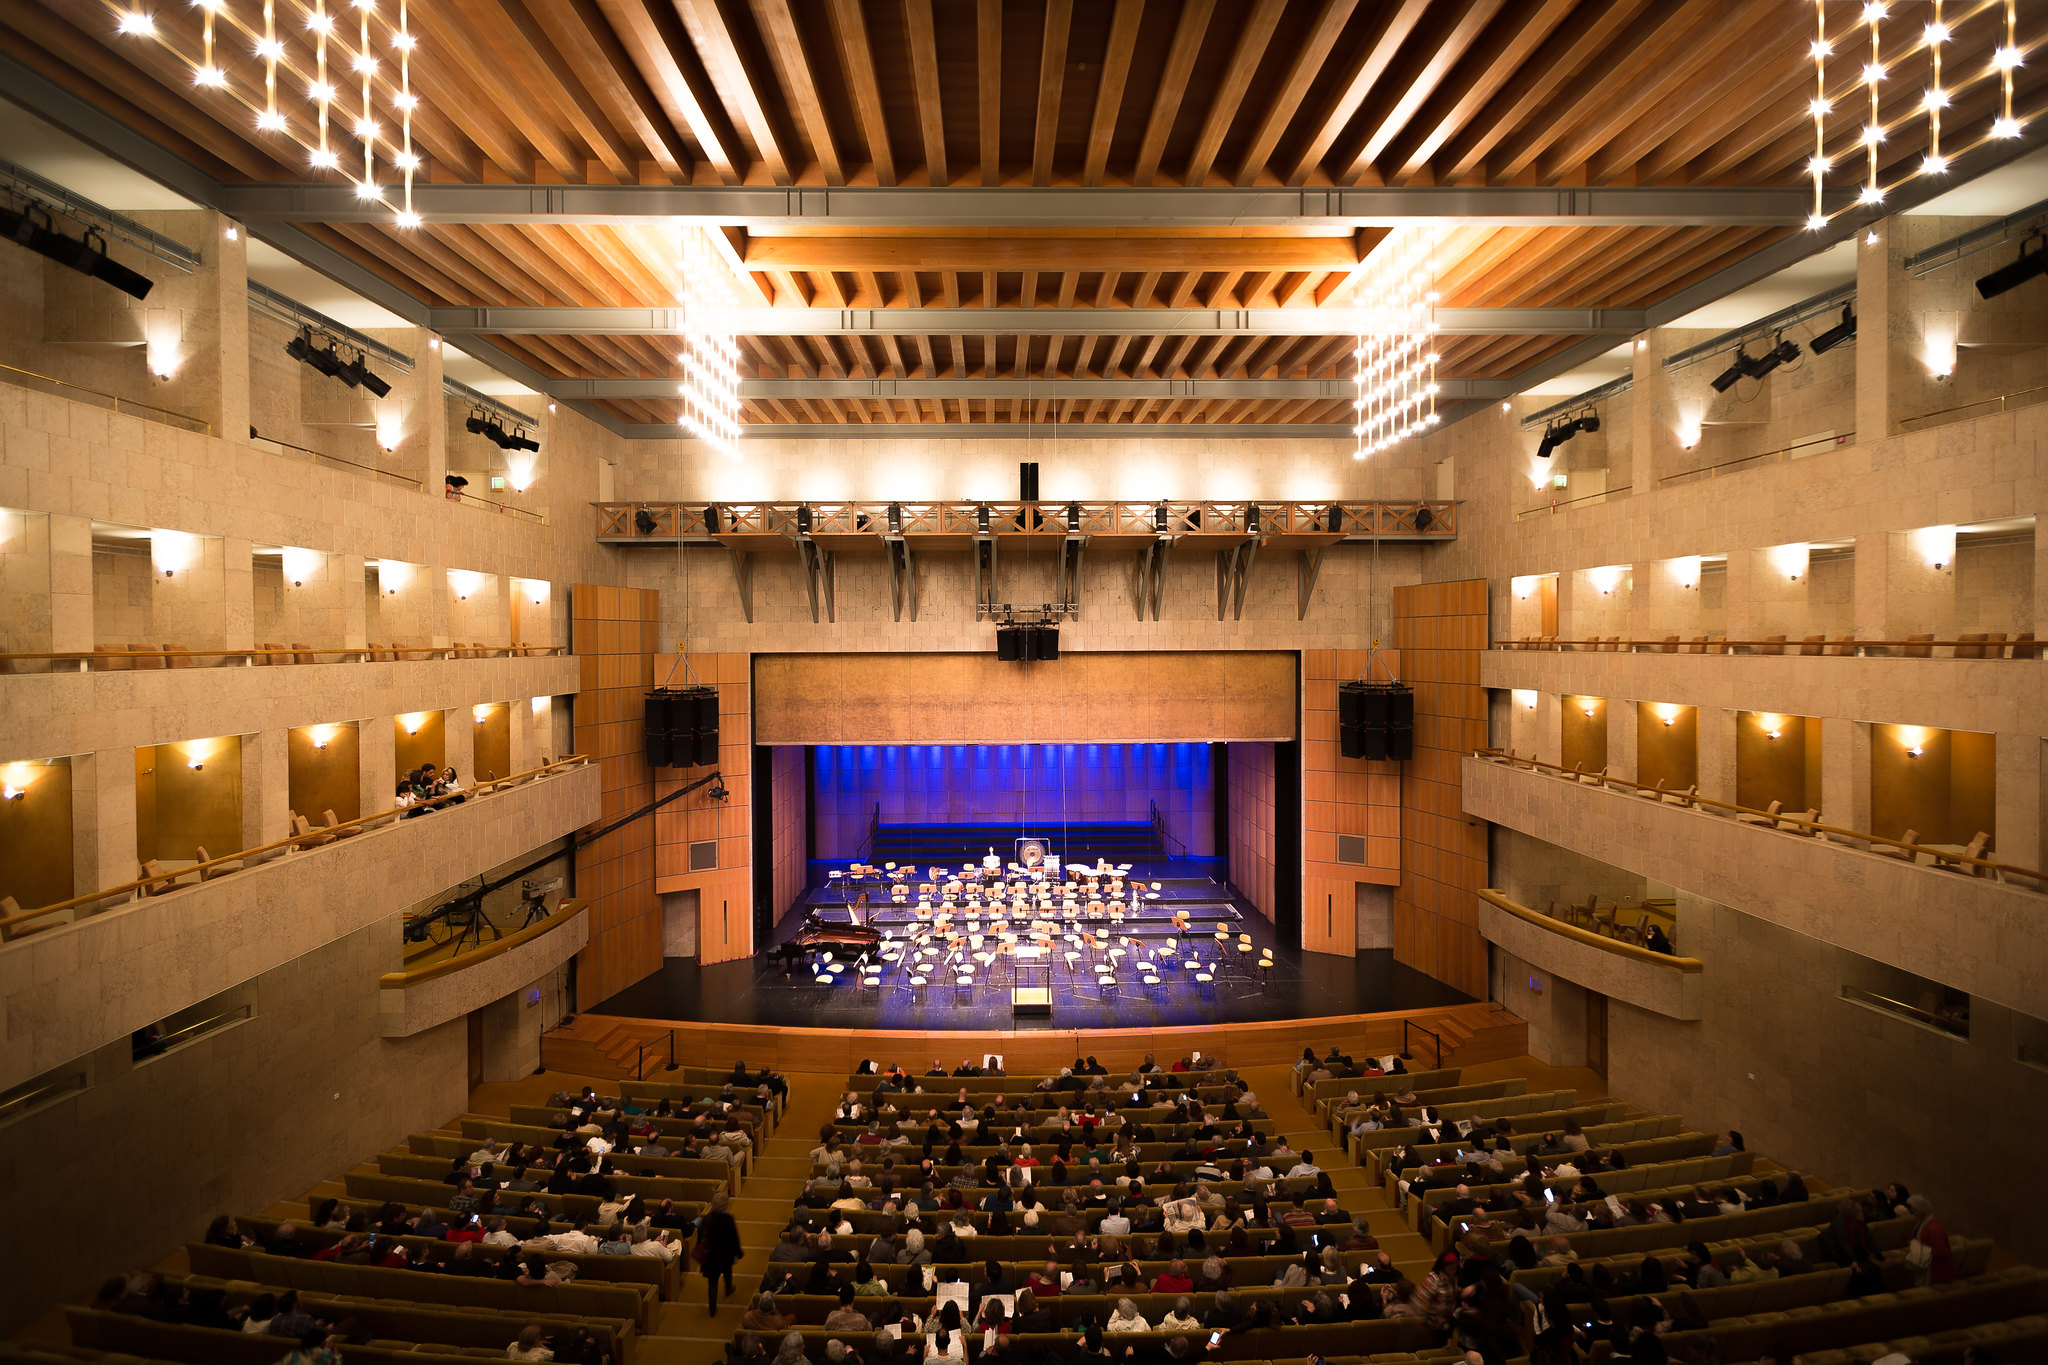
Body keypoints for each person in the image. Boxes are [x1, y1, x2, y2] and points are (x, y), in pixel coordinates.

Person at [697, 1191, 744, 1315]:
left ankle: (712, 1308)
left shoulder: (707, 1218)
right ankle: (728, 1288)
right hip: (725, 1255)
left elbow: (700, 1236)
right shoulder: (728, 1219)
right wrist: (738, 1252)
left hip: (710, 1256)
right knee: (727, 1271)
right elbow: (734, 1238)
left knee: (712, 1282)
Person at [1907, 1195, 1954, 1285]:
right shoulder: (1924, 1222)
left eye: (1914, 1210)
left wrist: (1918, 1249)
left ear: (1921, 1211)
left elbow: (1941, 1252)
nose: (1912, 1213)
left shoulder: (1933, 1228)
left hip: (1937, 1271)